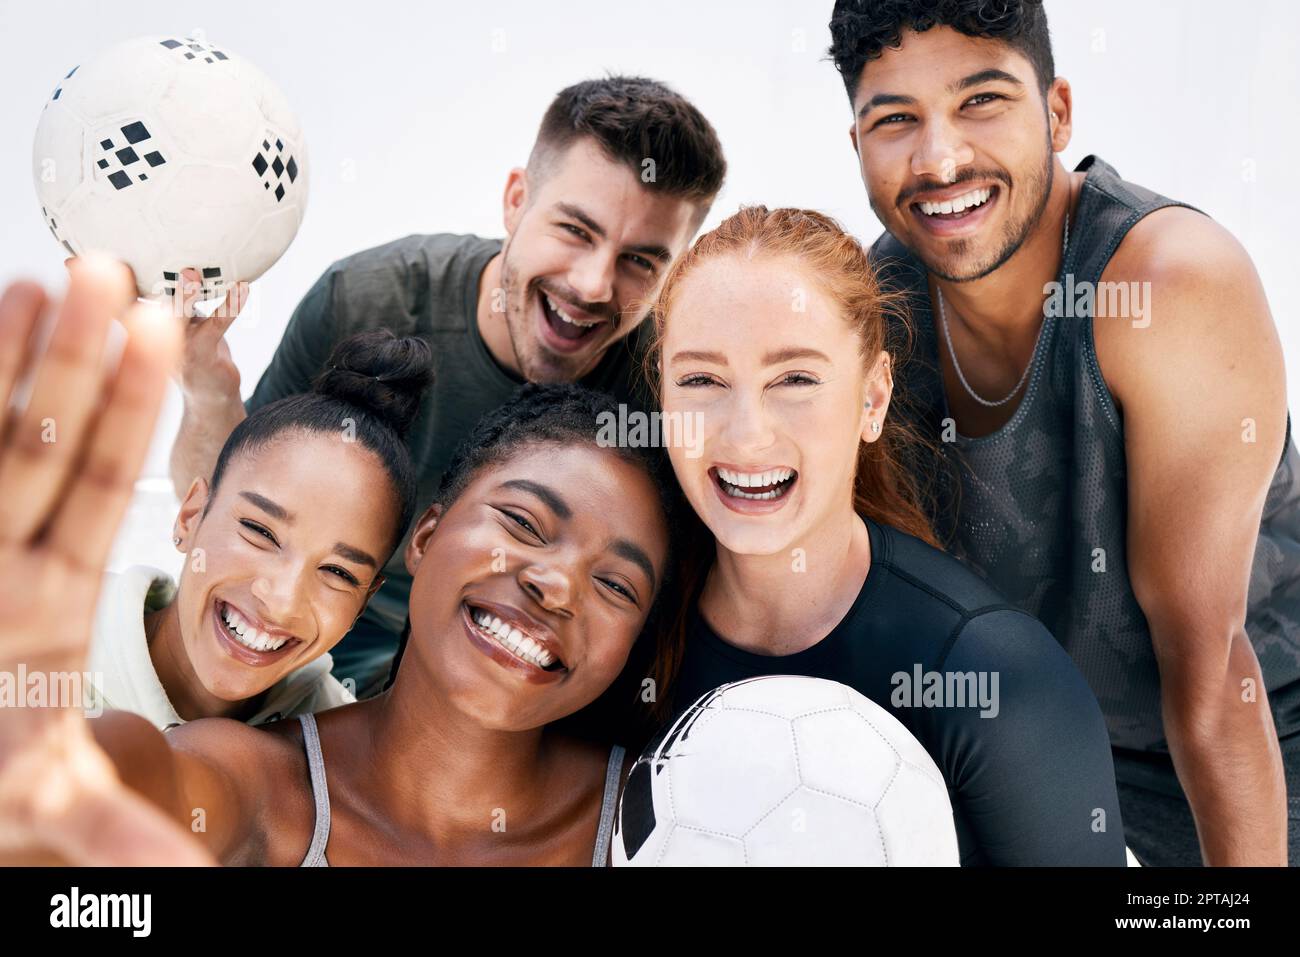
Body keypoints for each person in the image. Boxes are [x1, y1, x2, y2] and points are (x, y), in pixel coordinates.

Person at [828, 0, 1300, 865]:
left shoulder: (1166, 285)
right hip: (1036, 760)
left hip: (1256, 763)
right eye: (895, 119)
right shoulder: (874, 311)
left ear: (1057, 113)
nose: (940, 159)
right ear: (855, 146)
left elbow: (1210, 678)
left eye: (982, 101)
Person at [0, 261, 674, 865]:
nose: (555, 583)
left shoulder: (669, 817)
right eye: (523, 522)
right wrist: (46, 782)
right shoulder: (250, 775)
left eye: (616, 582)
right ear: (426, 536)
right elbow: (133, 784)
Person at [167, 75, 726, 697]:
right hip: (324, 629)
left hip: (510, 652)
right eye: (575, 230)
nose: (594, 285)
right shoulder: (364, 300)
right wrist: (206, 392)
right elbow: (224, 511)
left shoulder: (667, 386)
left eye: (641, 261)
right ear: (517, 200)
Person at [647, 205, 1125, 866]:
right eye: (702, 379)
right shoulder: (624, 634)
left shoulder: (995, 677)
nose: (746, 433)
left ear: (872, 399)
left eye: (796, 379)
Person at [88, 327, 433, 729]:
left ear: (363, 604)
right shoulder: (34, 640)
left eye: (338, 572)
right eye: (260, 532)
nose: (282, 601)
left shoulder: (338, 751)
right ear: (191, 515)